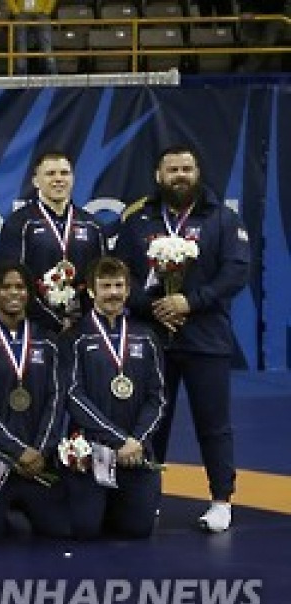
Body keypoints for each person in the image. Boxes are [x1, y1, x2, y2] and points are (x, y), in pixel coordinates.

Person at [113, 146, 250, 533]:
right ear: (158, 175)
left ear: (197, 172)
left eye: (187, 168)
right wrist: (152, 306)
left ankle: (221, 500)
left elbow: (235, 272)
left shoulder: (222, 219)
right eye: (172, 169)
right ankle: (147, 499)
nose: (180, 175)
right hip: (153, 340)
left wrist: (190, 301)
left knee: (214, 424)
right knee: (154, 423)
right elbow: (119, 274)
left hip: (206, 339)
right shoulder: (138, 220)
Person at [62, 256, 165, 539]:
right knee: (85, 529)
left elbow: (157, 399)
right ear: (92, 291)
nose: (113, 293)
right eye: (105, 286)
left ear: (129, 290)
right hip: (91, 451)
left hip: (135, 451)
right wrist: (119, 440)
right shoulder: (75, 338)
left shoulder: (146, 337)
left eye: (119, 285)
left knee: (138, 529)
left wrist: (137, 441)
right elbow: (72, 396)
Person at [0, 264, 71, 541]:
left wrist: (39, 450)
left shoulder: (47, 342)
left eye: (20, 287)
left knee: (61, 531)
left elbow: (56, 399)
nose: (13, 293)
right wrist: (15, 451)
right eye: (6, 287)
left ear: (29, 294)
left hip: (39, 463)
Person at [0, 152, 108, 334]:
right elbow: (11, 283)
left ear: (72, 178)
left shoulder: (92, 225)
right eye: (50, 174)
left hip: (85, 328)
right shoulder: (19, 224)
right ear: (35, 181)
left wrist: (86, 322)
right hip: (35, 328)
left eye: (64, 173)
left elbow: (103, 279)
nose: (58, 179)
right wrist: (51, 321)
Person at [5, 0, 56, 75]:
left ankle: (51, 72)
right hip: (22, 13)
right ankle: (21, 73)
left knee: (46, 44)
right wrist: (16, 11)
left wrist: (47, 11)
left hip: (41, 13)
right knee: (21, 44)